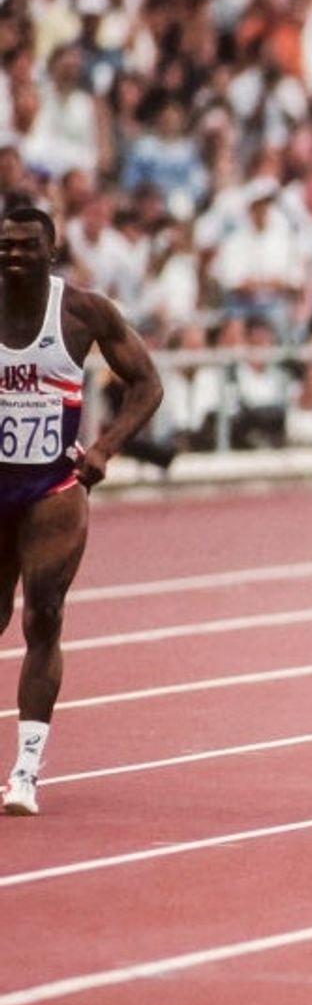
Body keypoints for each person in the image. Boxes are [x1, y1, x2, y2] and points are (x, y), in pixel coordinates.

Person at [0, 206, 163, 815]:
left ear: (51, 251)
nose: (11, 256)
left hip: (52, 489)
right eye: (3, 246)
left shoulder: (82, 311)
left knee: (43, 615)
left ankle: (25, 771)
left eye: (23, 247)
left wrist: (105, 448)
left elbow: (147, 382)